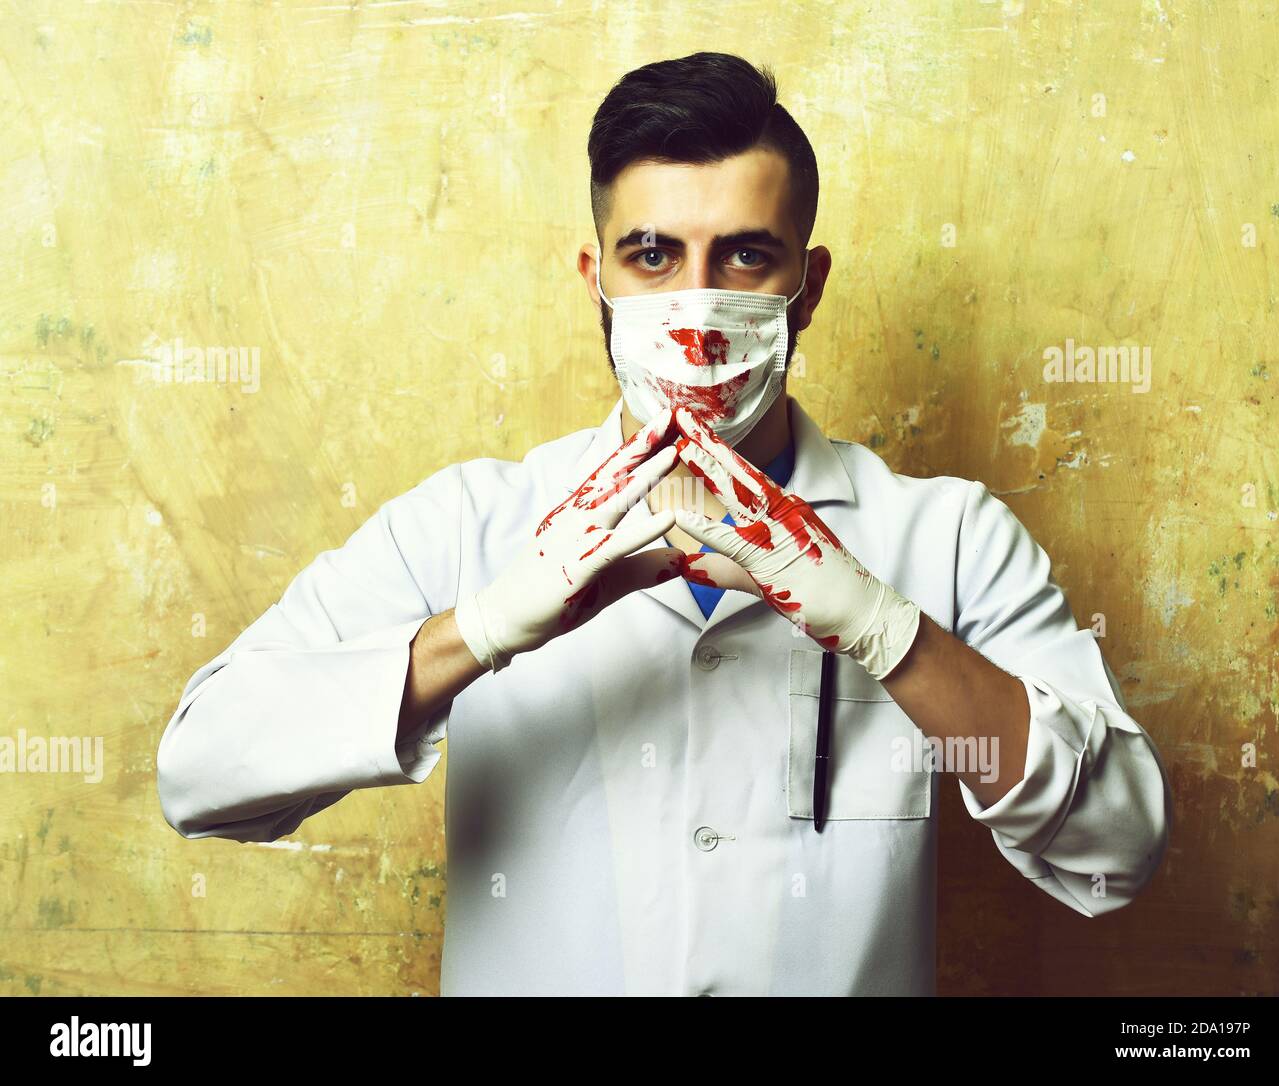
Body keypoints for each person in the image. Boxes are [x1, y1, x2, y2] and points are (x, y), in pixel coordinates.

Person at [157, 52, 1172, 996]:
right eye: (651, 255)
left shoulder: (946, 538)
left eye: (742, 256)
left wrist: (886, 630)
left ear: (805, 289)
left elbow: (1118, 844)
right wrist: (480, 632)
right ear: (595, 279)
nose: (695, 304)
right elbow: (202, 769)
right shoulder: (467, 523)